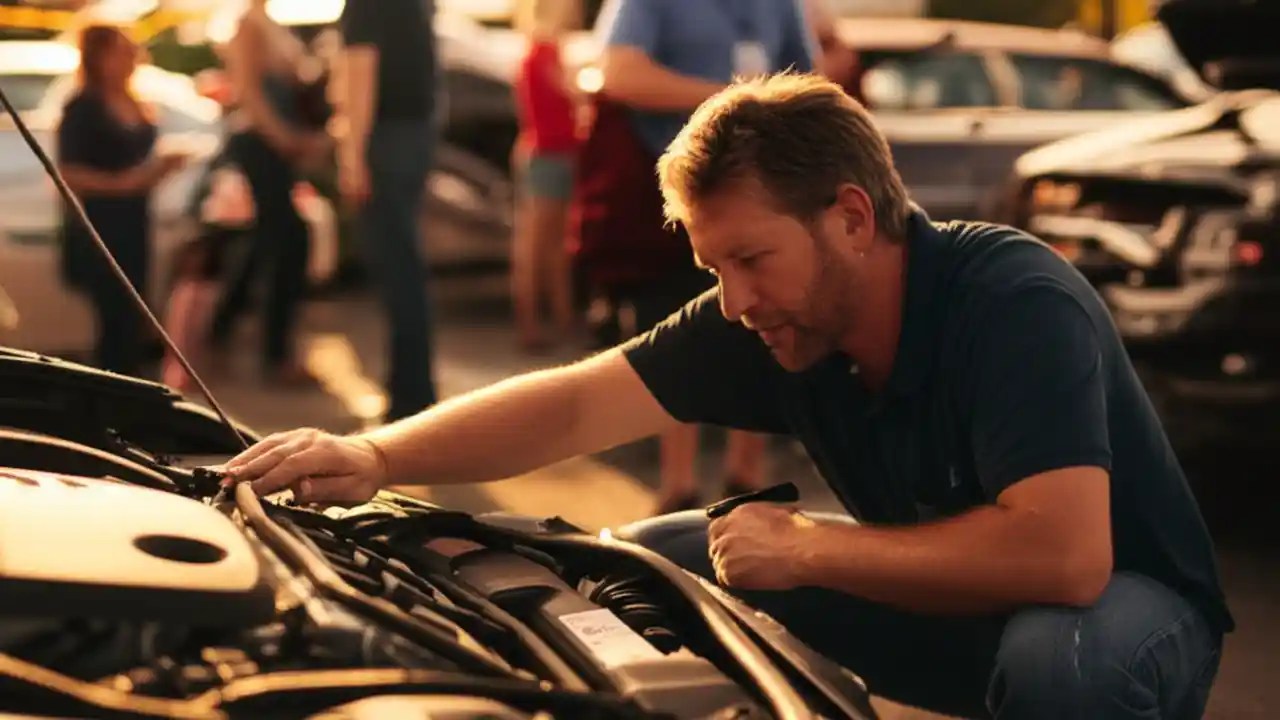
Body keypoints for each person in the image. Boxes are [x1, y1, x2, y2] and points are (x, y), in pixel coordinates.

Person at [218, 73, 1232, 719]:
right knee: (648, 564)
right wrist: (375, 457)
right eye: (713, 267)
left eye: (747, 258)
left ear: (847, 216)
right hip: (962, 613)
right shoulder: (778, 308)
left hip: (1119, 623)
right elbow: (574, 406)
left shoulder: (1010, 297)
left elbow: (1062, 557)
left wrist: (808, 549)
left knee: (1060, 665)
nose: (732, 301)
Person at [579, 0, 820, 513]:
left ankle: (747, 483)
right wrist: (730, 103)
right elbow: (619, 72)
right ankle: (678, 490)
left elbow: (810, 81)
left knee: (764, 323)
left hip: (760, 196)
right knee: (672, 337)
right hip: (671, 206)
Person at [208, 0, 328, 386]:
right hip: (261, 144)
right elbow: (249, 93)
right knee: (289, 238)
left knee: (268, 240)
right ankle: (274, 355)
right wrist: (288, 140)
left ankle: (219, 334)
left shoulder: (268, 23)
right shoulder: (247, 25)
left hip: (272, 145)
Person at [57, 24, 187, 377]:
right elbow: (68, 172)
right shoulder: (82, 107)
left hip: (134, 221)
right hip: (101, 223)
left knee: (134, 313)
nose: (132, 60)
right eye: (123, 52)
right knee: (114, 317)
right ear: (99, 57)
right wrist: (124, 183)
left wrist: (158, 170)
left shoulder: (133, 101)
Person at [335, 0, 440, 421]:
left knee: (398, 270)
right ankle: (411, 387)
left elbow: (361, 72)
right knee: (406, 268)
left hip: (385, 139)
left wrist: (352, 153)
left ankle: (410, 397)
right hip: (414, 136)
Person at [510, 0, 582, 352]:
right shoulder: (543, 53)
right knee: (539, 247)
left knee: (552, 247)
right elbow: (570, 95)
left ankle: (559, 320)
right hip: (549, 157)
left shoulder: (541, 51)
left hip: (555, 155)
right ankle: (534, 325)